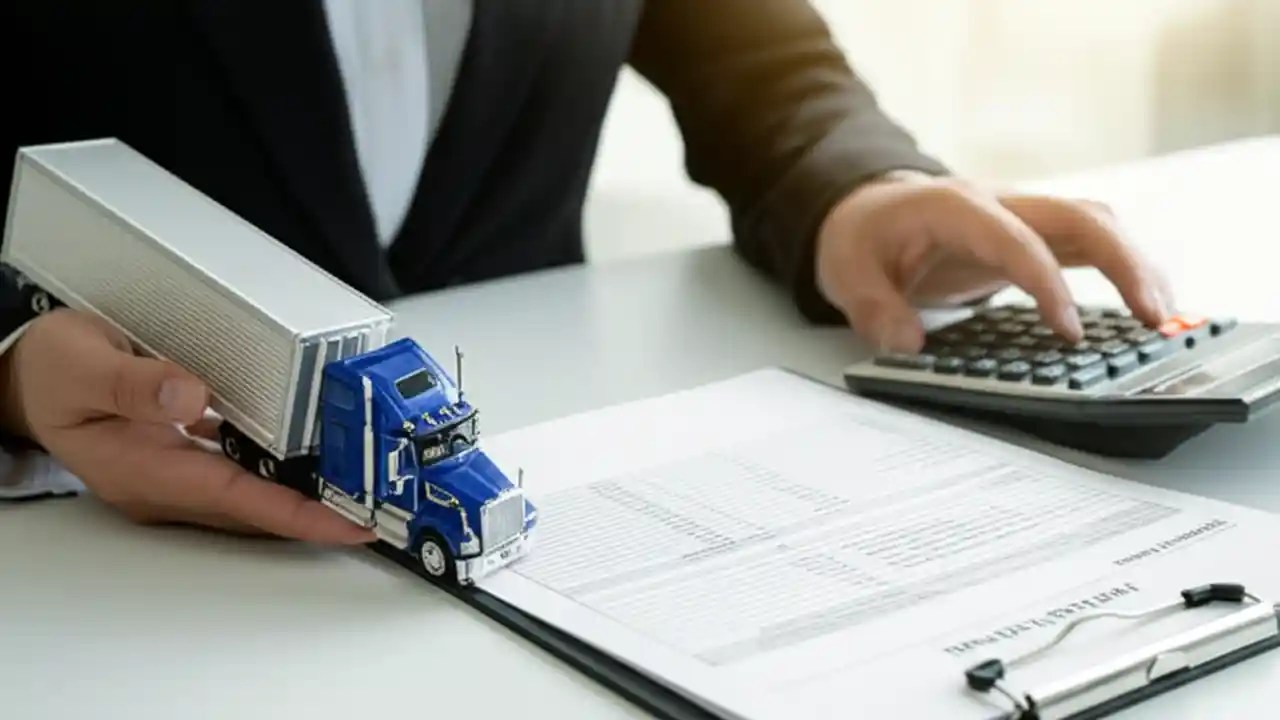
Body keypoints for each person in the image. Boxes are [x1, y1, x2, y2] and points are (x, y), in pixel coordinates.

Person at [0, 1, 1171, 543]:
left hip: (571, 481)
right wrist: (7, 380)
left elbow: (751, 56)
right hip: (90, 567)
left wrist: (855, 187)